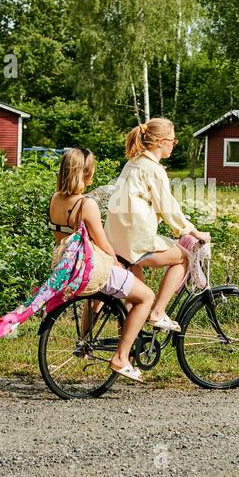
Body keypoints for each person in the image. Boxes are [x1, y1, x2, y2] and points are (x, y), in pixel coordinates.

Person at [48, 148, 154, 382]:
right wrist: (118, 264)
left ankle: (85, 341)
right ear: (85, 173)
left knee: (102, 296)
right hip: (91, 268)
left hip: (67, 266)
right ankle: (122, 357)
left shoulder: (55, 199)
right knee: (145, 297)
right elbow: (103, 244)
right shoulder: (86, 204)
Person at [106, 118, 212, 332]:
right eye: (173, 141)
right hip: (136, 242)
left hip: (116, 240)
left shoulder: (133, 163)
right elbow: (168, 206)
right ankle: (158, 312)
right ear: (162, 142)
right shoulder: (153, 168)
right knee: (184, 256)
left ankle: (127, 353)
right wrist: (192, 231)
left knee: (135, 298)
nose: (174, 144)